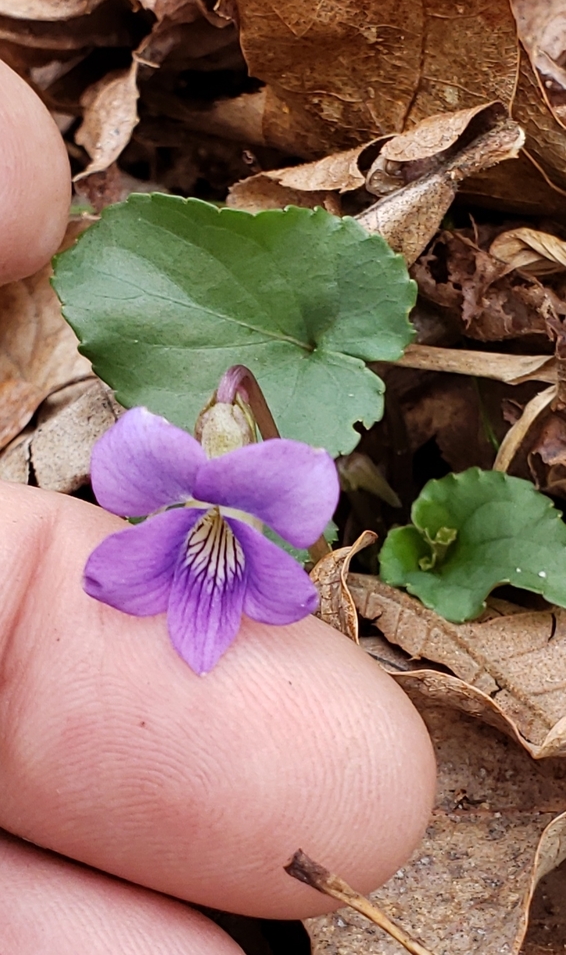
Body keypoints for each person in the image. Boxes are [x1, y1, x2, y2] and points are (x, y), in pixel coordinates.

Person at [0, 59, 436, 953]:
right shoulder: (236, 494)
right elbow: (192, 557)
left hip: (230, 516)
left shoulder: (203, 491)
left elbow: (274, 574)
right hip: (232, 515)